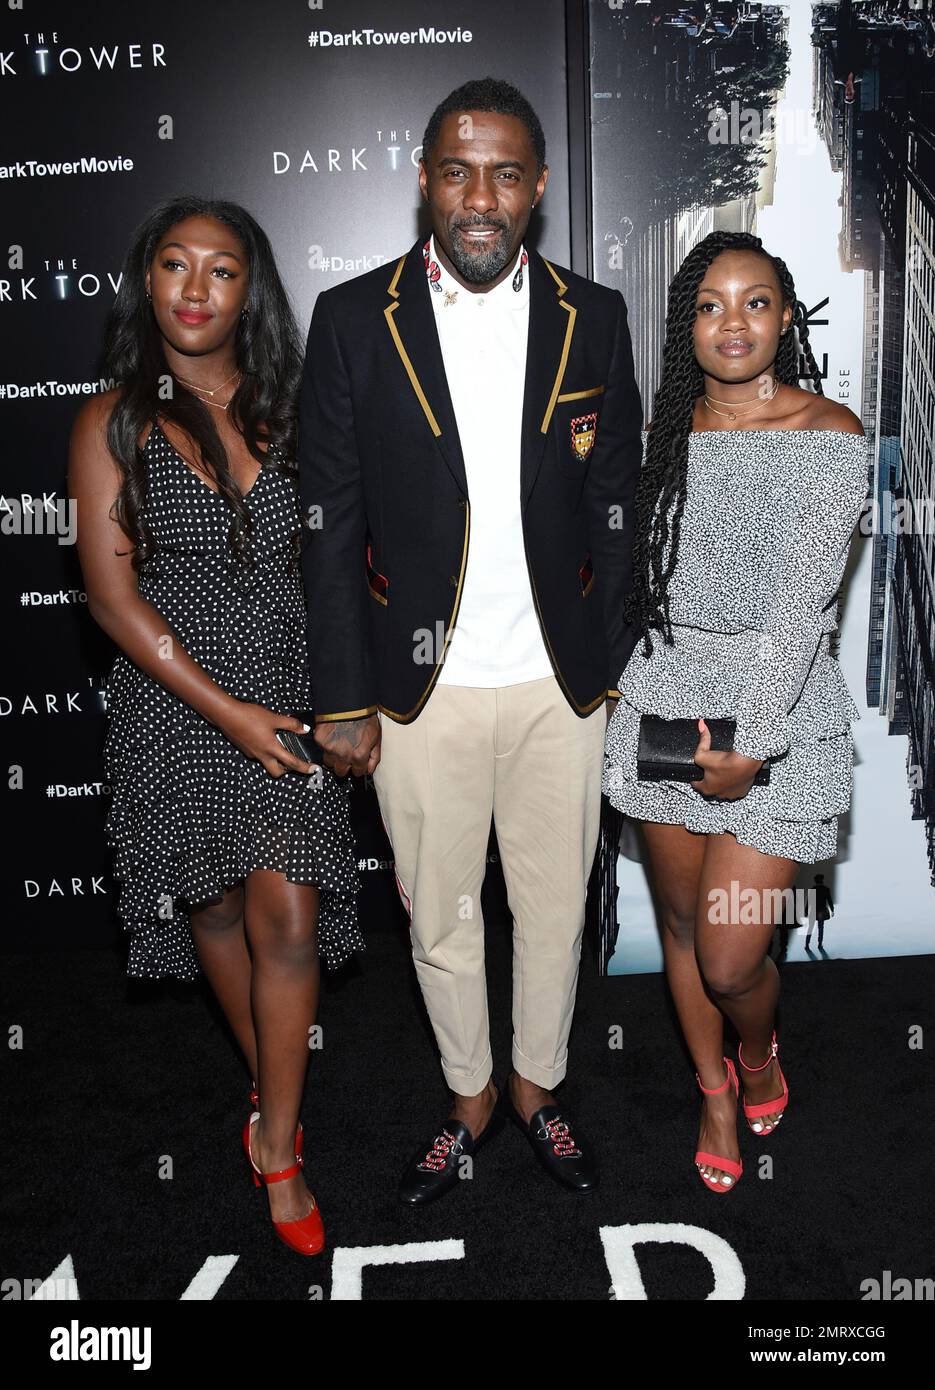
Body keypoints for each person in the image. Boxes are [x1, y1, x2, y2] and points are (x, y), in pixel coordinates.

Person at [298, 77, 643, 1203]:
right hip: (418, 684)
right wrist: (342, 697)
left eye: (502, 173)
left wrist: (611, 662)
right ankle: (469, 1095)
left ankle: (539, 1087)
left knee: (551, 906)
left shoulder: (594, 315)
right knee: (439, 912)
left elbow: (619, 501)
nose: (478, 196)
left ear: (537, 188)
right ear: (423, 181)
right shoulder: (355, 319)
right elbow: (330, 520)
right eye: (456, 170)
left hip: (560, 683)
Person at [68, 196, 363, 1254]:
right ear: (147, 281)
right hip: (173, 700)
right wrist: (225, 712)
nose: (195, 290)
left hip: (283, 686)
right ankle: (268, 1085)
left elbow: (341, 565)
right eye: (175, 266)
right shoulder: (113, 420)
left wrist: (343, 693)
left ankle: (277, 1143)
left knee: (286, 915)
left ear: (251, 290)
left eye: (222, 270)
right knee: (221, 918)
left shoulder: (294, 410)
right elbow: (111, 599)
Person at [602, 230, 869, 1192]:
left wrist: (753, 745)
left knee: (727, 956)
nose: (731, 323)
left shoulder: (829, 435)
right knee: (678, 926)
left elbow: (802, 611)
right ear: (687, 326)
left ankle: (756, 1053)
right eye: (709, 305)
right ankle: (713, 1092)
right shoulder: (660, 438)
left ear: (785, 318)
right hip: (667, 701)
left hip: (781, 713)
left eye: (754, 302)